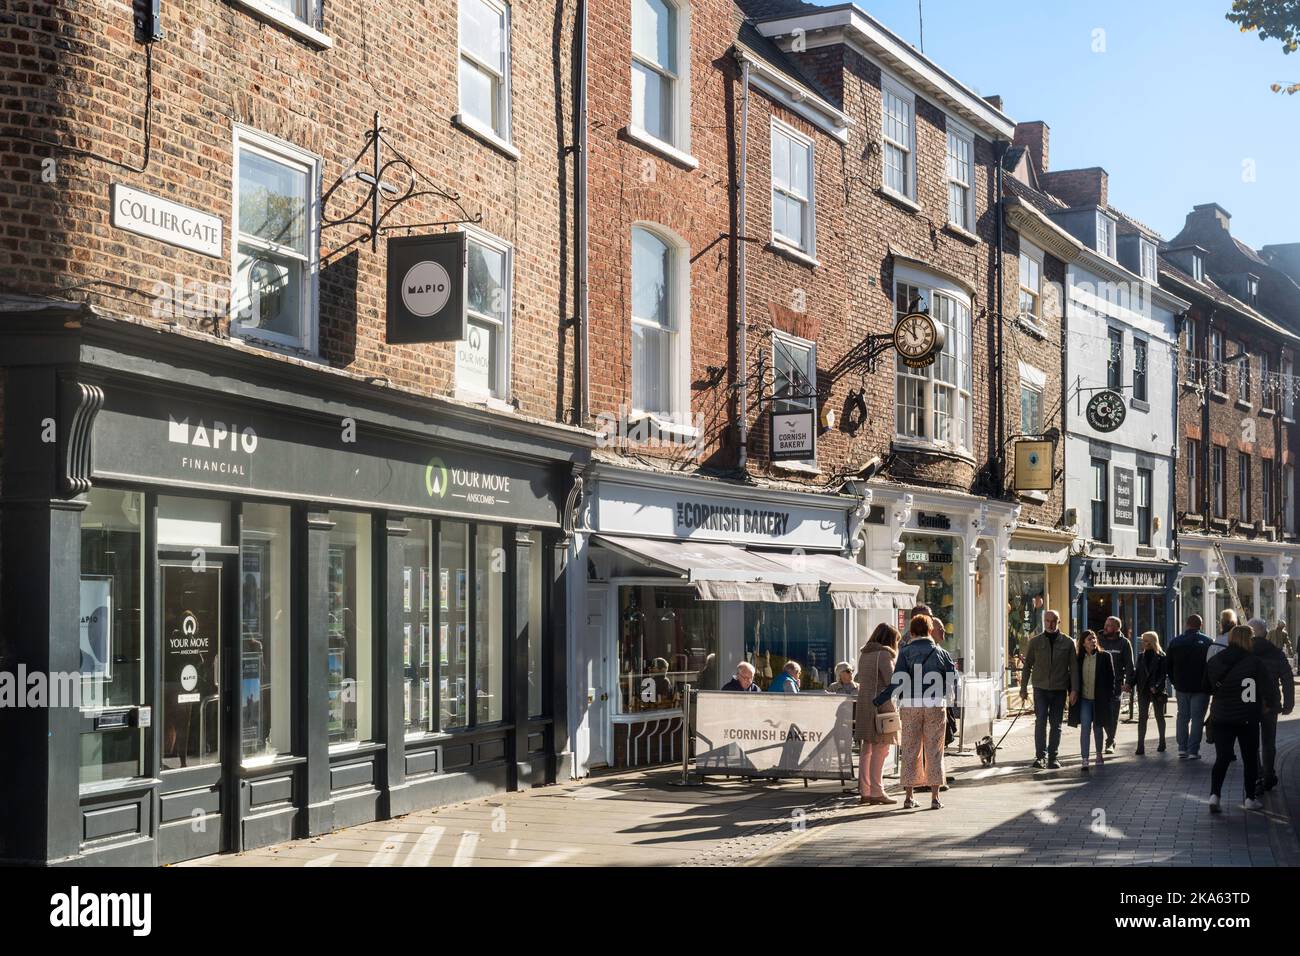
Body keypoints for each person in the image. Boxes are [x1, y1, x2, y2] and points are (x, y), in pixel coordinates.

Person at [1206, 624, 1280, 813]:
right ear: (1249, 640)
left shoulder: (1216, 661)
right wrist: (1271, 705)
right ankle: (1249, 798)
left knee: (1222, 758)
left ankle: (1214, 795)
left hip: (1222, 716)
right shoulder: (1255, 662)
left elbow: (1206, 686)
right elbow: (1269, 690)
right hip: (1248, 717)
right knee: (1249, 759)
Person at [894, 614, 957, 809]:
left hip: (910, 705)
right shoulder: (941, 653)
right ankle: (935, 797)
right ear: (930, 631)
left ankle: (908, 797)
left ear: (911, 632)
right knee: (934, 750)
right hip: (935, 704)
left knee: (910, 749)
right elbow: (951, 680)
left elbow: (898, 678)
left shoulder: (904, 652)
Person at [1019, 609, 1075, 769]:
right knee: (1040, 721)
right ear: (1044, 621)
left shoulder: (1068, 642)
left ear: (1059, 621)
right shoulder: (1035, 642)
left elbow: (1074, 668)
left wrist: (1074, 690)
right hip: (1040, 688)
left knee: (1056, 724)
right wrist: (1023, 688)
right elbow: (1027, 665)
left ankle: (1053, 757)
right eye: (1047, 621)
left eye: (1053, 621)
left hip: (1059, 689)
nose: (1050, 624)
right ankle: (1040, 757)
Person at [855, 624, 901, 805]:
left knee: (867, 749)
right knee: (882, 749)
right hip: (881, 705)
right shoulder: (884, 654)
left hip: (864, 704)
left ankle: (865, 791)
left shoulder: (864, 654)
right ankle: (877, 791)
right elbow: (893, 681)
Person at [1249, 617, 1295, 791]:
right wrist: (1288, 703)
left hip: (1249, 703)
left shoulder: (1245, 653)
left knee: (1251, 741)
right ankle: (1269, 774)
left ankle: (1259, 774)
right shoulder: (1276, 653)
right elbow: (1288, 679)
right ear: (1266, 633)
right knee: (1269, 741)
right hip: (1271, 703)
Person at [1167, 614, 1213, 760]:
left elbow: (1168, 665)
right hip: (1201, 687)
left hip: (1181, 686)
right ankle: (1193, 750)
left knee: (1182, 716)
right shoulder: (1207, 642)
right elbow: (1211, 665)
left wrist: (1175, 681)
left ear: (1186, 624)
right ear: (1201, 625)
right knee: (1197, 719)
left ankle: (1182, 748)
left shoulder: (1175, 642)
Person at [1070, 630, 1115, 772]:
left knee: (1098, 727)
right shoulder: (1078, 659)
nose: (1093, 641)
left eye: (1094, 638)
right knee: (1085, 728)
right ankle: (1084, 759)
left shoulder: (1105, 657)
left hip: (1099, 699)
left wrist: (1109, 697)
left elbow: (1111, 679)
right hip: (1084, 699)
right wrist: (1072, 692)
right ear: (1083, 643)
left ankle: (1099, 754)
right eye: (1089, 639)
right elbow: (1072, 678)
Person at [1097, 616, 1134, 754]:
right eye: (1105, 624)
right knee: (1102, 713)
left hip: (1116, 685)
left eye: (1109, 626)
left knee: (1113, 714)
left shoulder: (1124, 643)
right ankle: (1108, 739)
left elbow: (1130, 665)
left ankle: (1110, 741)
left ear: (1117, 628)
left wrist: (1128, 683)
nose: (1106, 627)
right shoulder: (1098, 640)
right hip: (1099, 684)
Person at [1133, 631, 1169, 755]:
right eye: (1143, 641)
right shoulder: (1140, 656)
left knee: (1159, 716)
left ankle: (1162, 741)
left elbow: (1163, 675)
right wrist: (1129, 685)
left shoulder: (1161, 656)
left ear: (1153, 642)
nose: (1144, 643)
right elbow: (1137, 674)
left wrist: (1157, 687)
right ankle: (1140, 745)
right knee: (1142, 718)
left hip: (1156, 691)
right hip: (1143, 690)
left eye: (1147, 641)